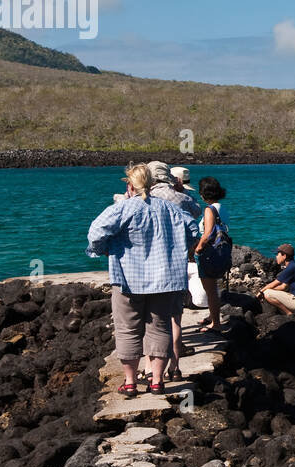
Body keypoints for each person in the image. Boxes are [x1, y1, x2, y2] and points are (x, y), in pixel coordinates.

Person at [87, 163, 199, 398]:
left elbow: (95, 232)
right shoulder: (171, 208)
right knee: (160, 328)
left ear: (130, 185)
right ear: (152, 183)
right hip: (165, 280)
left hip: (128, 278)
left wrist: (104, 249)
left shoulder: (123, 208)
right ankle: (157, 382)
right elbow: (193, 231)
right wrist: (180, 249)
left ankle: (130, 383)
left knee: (128, 330)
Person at [145, 161, 203, 378]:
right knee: (175, 319)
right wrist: (177, 191)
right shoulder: (181, 198)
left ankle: (150, 370)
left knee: (150, 320)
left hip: (149, 266)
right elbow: (196, 213)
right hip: (175, 264)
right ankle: (175, 368)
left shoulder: (141, 198)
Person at [193, 177, 230, 333]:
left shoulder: (209, 209)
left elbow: (207, 233)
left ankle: (215, 323)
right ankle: (212, 315)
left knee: (210, 289)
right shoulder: (222, 208)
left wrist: (198, 248)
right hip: (220, 252)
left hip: (208, 253)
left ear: (203, 194)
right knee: (212, 287)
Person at [259, 243, 295, 315]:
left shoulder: (291, 268)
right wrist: (271, 289)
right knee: (268, 291)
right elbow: (283, 287)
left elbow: (274, 284)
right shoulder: (294, 265)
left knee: (267, 293)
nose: (276, 256)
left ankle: (289, 313)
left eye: (278, 254)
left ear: (284, 256)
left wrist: (260, 292)